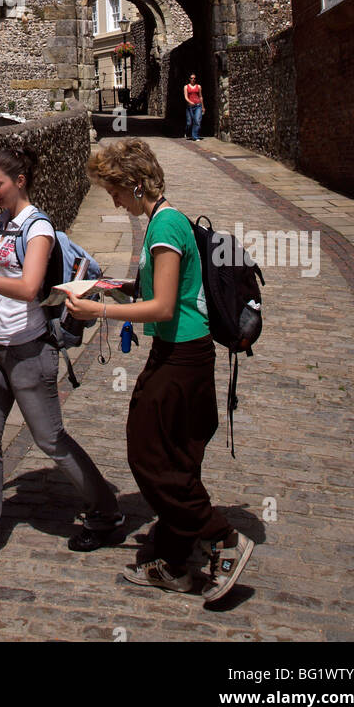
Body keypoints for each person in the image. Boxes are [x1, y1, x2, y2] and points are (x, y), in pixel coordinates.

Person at [62, 138, 254, 602]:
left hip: (181, 357)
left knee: (147, 453)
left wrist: (98, 315)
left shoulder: (166, 225)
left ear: (136, 184)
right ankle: (173, 562)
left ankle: (223, 538)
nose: (112, 199)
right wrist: (110, 287)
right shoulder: (163, 222)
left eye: (115, 190)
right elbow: (157, 289)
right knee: (178, 457)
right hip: (184, 354)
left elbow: (166, 306)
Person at [0, 146, 123, 561]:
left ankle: (106, 511)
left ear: (20, 181)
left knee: (50, 440)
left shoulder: (39, 228)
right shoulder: (5, 225)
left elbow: (29, 287)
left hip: (30, 351)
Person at [184, 72, 204, 140]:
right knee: (189, 123)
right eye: (192, 78)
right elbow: (186, 97)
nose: (193, 79)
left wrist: (203, 107)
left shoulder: (199, 86)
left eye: (194, 78)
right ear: (189, 79)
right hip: (189, 107)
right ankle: (187, 132)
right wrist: (190, 102)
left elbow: (201, 96)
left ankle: (195, 136)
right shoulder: (186, 87)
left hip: (198, 105)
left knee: (197, 121)